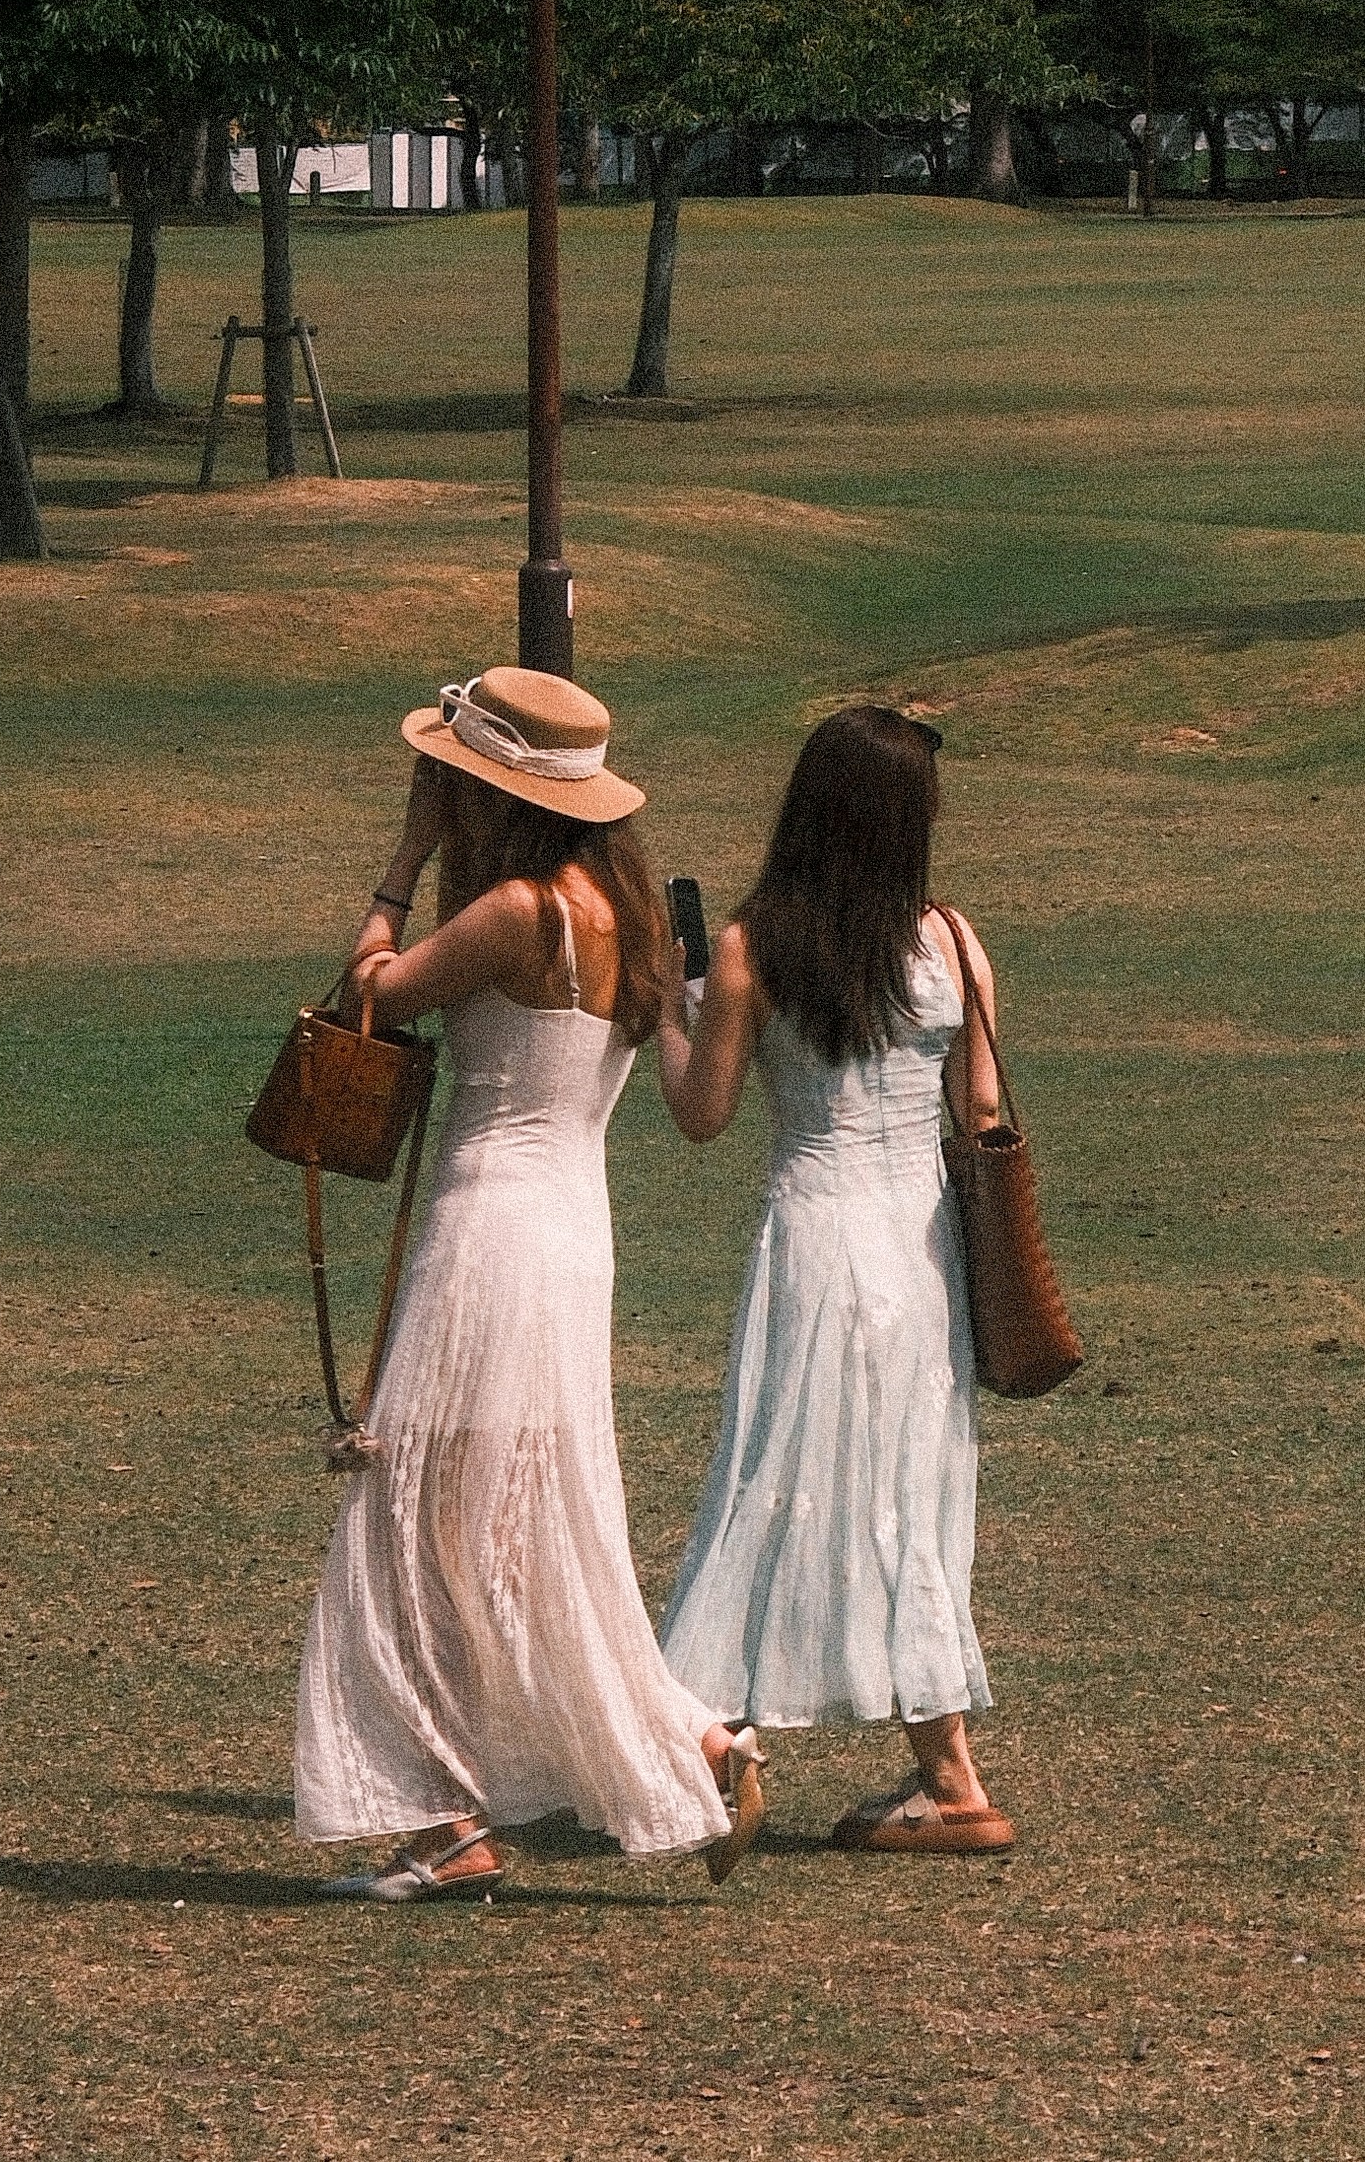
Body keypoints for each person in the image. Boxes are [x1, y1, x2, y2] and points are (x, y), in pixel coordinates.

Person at [293, 663, 765, 1900]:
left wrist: (402, 860)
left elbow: (370, 989)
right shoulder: (619, 915)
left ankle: (455, 1822)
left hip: (488, 1228)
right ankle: (687, 1744)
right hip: (568, 1230)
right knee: (515, 1523)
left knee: (423, 1519)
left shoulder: (514, 910)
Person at [656, 702, 1015, 1852]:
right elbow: (982, 1110)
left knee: (772, 1473)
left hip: (813, 1236)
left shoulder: (753, 947)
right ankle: (947, 1771)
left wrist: (677, 1012)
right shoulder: (951, 943)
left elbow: (701, 1115)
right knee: (909, 1495)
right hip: (920, 1255)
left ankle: (701, 1734)